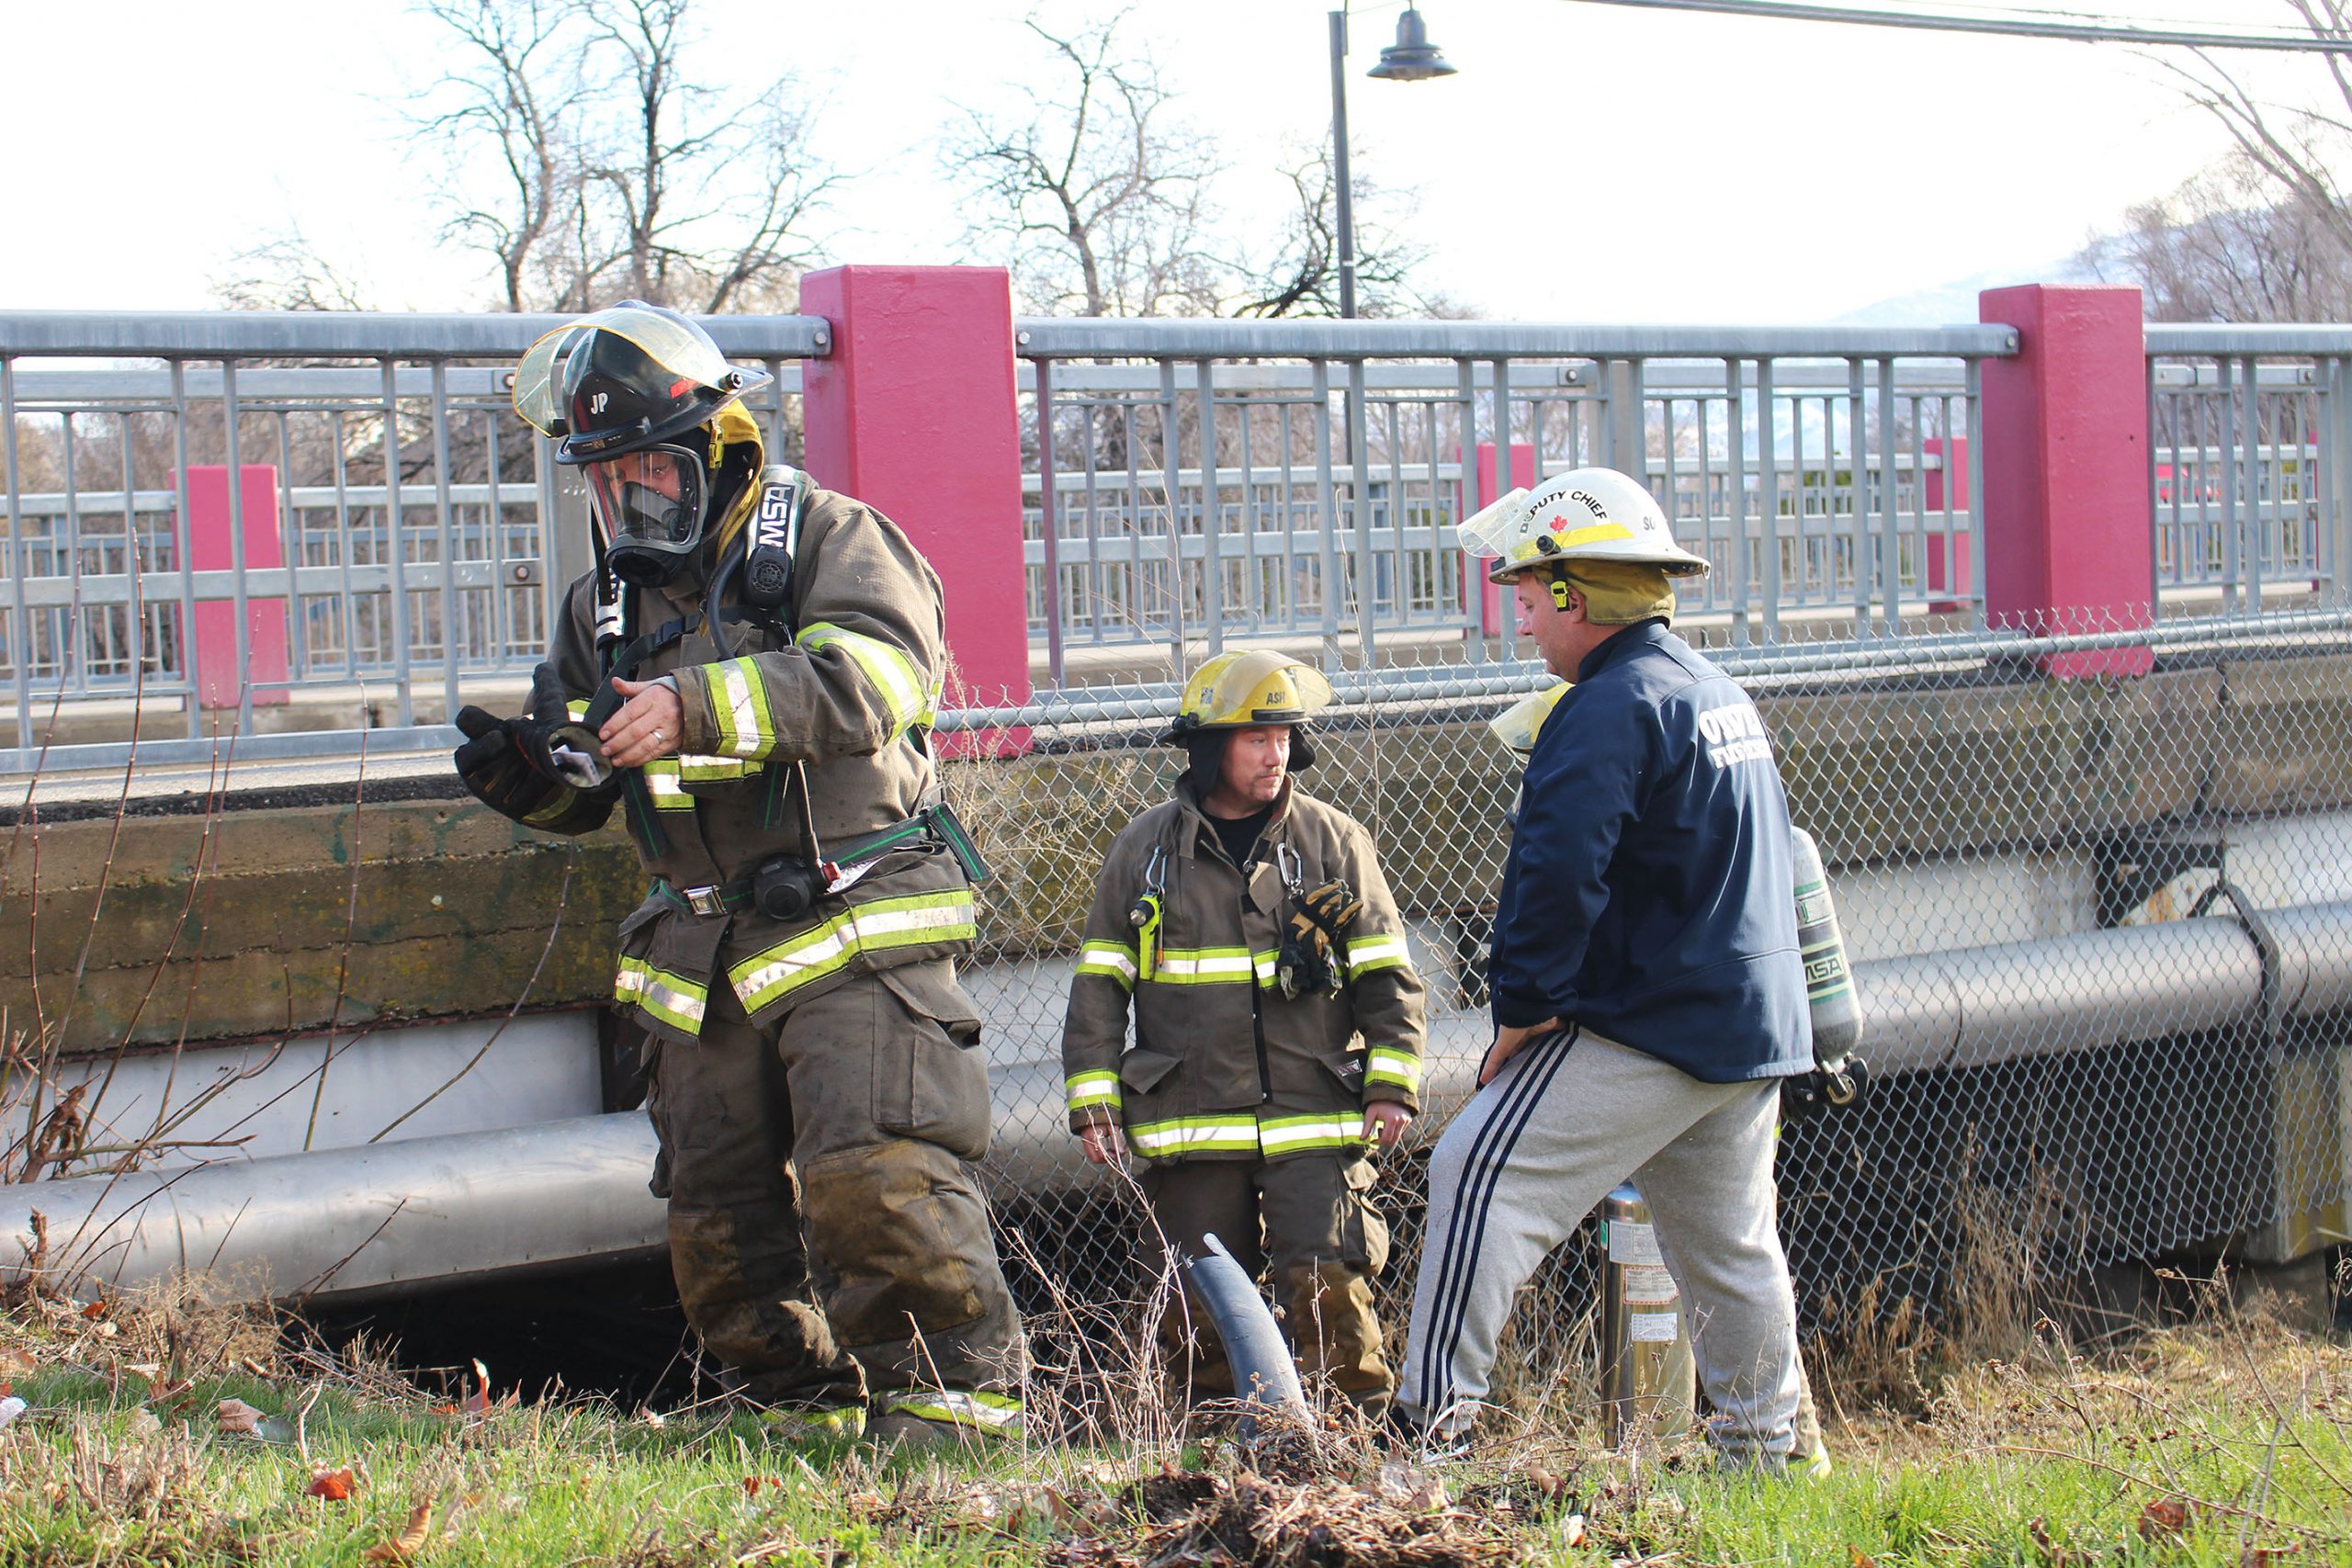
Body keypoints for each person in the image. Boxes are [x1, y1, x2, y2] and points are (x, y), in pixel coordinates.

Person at [453, 301, 1021, 1450]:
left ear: (722, 447)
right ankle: (789, 1414)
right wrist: (534, 778)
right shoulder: (601, 606)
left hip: (853, 919)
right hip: (701, 952)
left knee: (876, 1169)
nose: (632, 501)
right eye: (608, 482)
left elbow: (882, 682)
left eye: (651, 470)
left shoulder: (828, 538)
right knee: (715, 1209)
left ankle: (951, 1425)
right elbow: (596, 775)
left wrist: (696, 706)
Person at [1394, 466, 1813, 1469]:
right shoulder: (1711, 690)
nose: (1525, 623)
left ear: (1577, 592)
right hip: (1750, 1030)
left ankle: (1422, 1452)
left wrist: (1524, 1007)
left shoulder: (1603, 705)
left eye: (1531, 599)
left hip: (1651, 1027)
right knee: (1731, 1252)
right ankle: (1773, 1460)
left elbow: (1555, 871)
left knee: (1476, 1174)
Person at [1060, 649, 1426, 1416]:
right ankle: (1216, 1443)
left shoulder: (1334, 842)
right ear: (1208, 747)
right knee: (1199, 1290)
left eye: (1286, 736)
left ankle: (1351, 1435)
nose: (1276, 754)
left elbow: (1388, 978)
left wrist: (1392, 1084)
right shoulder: (1145, 851)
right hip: (1191, 1118)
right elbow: (1100, 984)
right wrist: (1094, 1101)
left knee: (1328, 1274)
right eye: (1257, 738)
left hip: (1312, 1112)